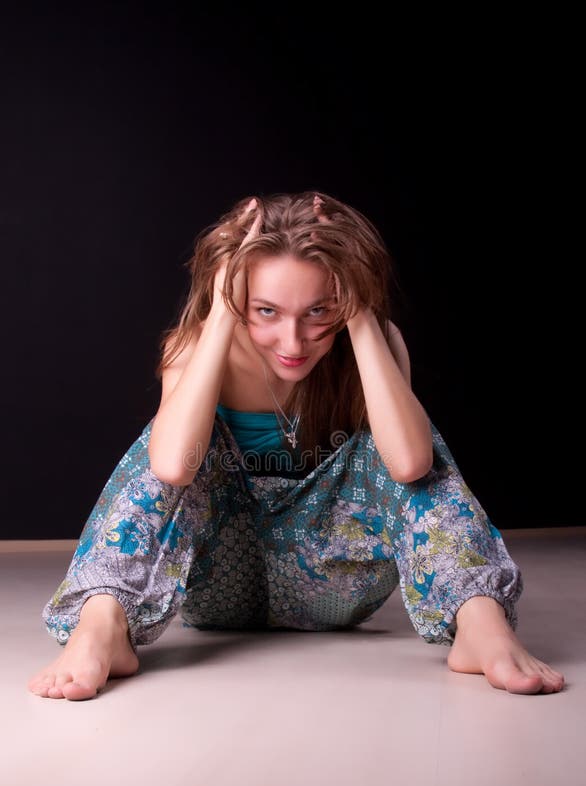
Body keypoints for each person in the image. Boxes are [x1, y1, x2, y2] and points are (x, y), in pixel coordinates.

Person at [28, 191, 565, 700]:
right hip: (219, 581)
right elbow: (170, 467)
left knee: (399, 438)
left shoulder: (372, 342)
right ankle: (103, 625)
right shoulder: (197, 347)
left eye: (318, 311)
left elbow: (409, 464)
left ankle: (479, 621)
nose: (293, 342)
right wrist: (220, 314)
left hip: (334, 579)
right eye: (266, 311)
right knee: (176, 440)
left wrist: (360, 315)